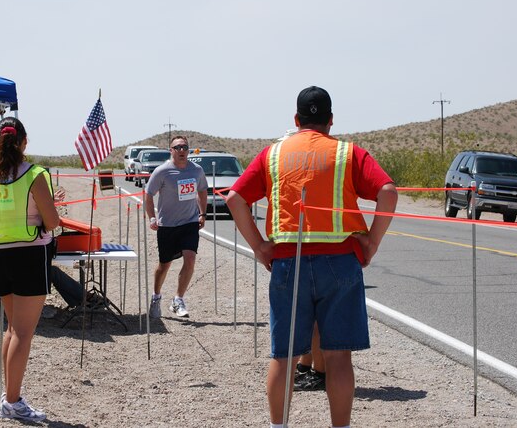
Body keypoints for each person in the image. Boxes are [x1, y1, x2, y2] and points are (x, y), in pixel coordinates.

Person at [226, 86, 398, 428]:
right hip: (341, 262)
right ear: (331, 120)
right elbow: (388, 192)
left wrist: (259, 246)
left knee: (285, 356)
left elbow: (234, 199)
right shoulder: (348, 153)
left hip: (289, 262)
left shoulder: (273, 154)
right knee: (338, 357)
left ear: (296, 119)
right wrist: (371, 242)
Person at [0, 117, 60, 423]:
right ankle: (12, 402)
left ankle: (9, 396)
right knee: (22, 332)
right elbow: (52, 221)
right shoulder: (34, 174)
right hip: (30, 254)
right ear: (24, 142)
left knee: (12, 329)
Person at [144, 135, 208, 318]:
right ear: (171, 150)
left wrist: (202, 213)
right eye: (177, 147)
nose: (181, 150)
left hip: (189, 223)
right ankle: (156, 297)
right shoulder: (162, 171)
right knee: (164, 265)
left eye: (184, 147)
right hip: (167, 225)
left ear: (188, 150)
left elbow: (202, 191)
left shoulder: (196, 170)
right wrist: (152, 218)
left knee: (190, 259)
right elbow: (148, 195)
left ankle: (178, 299)